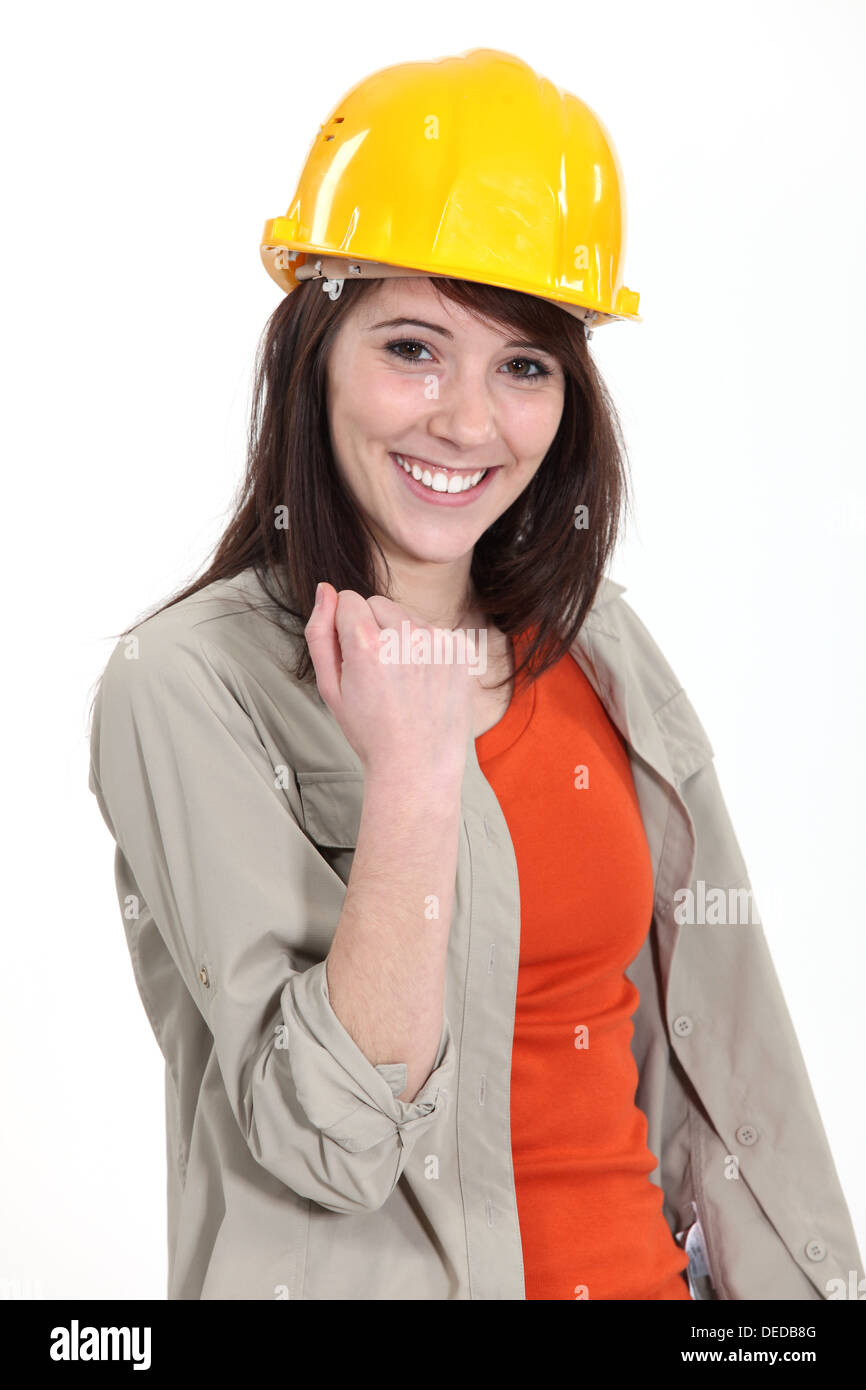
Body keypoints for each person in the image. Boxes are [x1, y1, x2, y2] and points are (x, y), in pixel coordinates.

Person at [87, 47, 862, 1301]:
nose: (465, 421)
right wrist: (411, 781)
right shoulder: (186, 685)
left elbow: (725, 1054)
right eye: (412, 347)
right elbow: (327, 1141)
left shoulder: (596, 643)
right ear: (312, 352)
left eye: (523, 365)